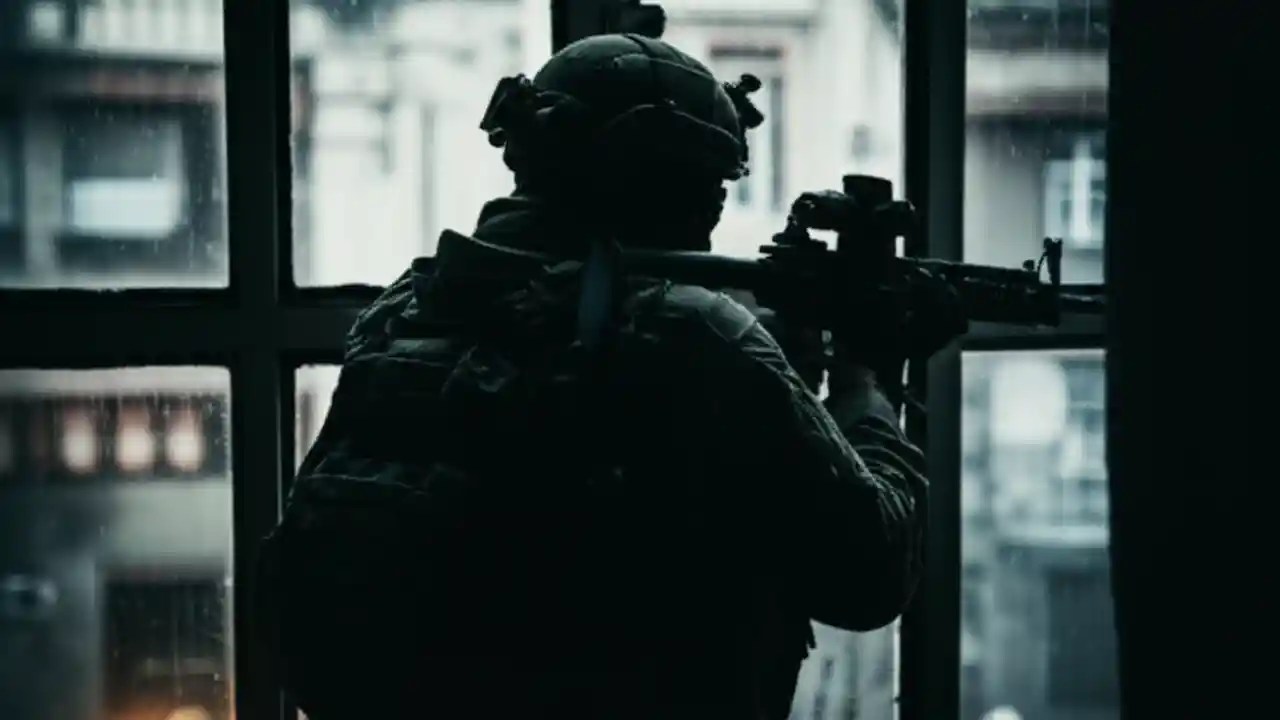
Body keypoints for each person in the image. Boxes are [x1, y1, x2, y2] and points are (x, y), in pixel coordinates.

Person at [257, 33, 932, 719]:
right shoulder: (694, 333)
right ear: (671, 179)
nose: (714, 216)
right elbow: (870, 573)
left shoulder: (408, 306)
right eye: (713, 189)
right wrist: (866, 381)